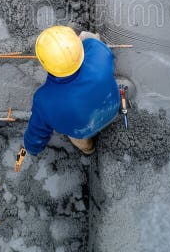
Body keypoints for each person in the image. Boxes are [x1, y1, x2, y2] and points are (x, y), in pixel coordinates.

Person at [19, 26, 120, 162]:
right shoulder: (99, 53)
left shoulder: (45, 100)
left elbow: (37, 132)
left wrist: (30, 147)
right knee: (87, 36)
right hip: (112, 108)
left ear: (46, 65)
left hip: (83, 129)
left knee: (82, 141)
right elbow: (93, 43)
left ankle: (88, 150)